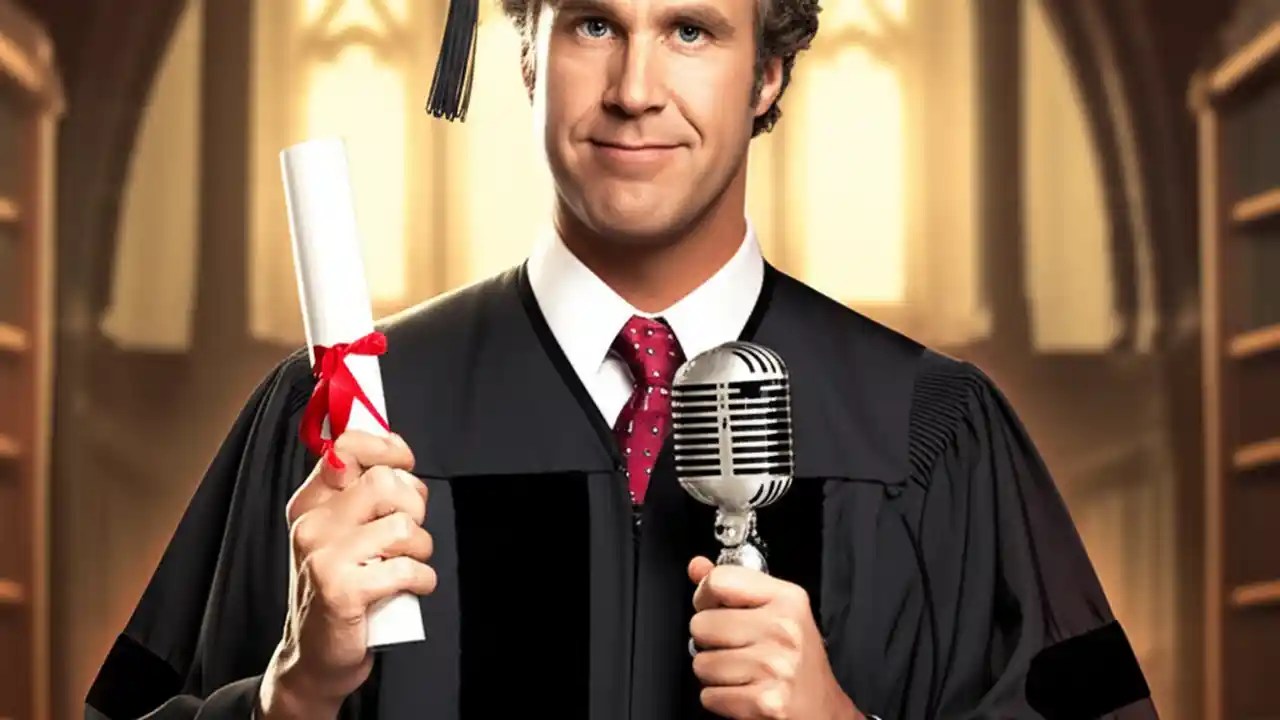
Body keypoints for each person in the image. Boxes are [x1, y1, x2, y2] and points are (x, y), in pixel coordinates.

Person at [85, 0, 1159, 715]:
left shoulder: (923, 427)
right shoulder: (344, 423)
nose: (634, 87)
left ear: (768, 76)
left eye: (691, 29)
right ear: (522, 53)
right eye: (593, 23)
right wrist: (293, 691)